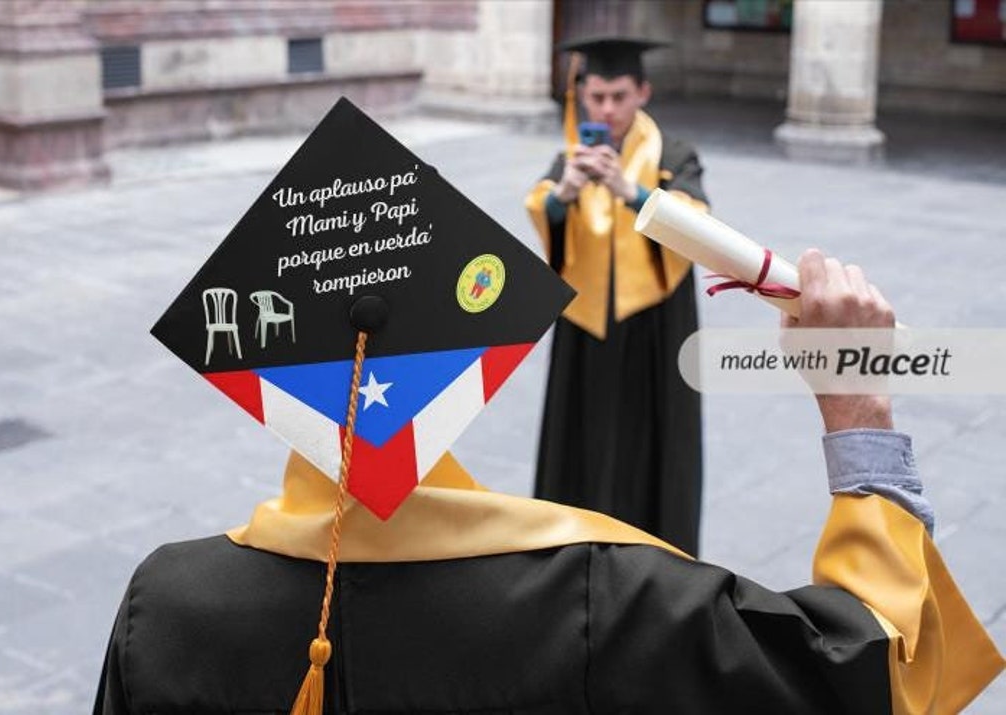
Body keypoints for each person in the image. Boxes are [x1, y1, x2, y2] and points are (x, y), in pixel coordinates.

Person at [94, 249, 1003, 714]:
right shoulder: (603, 596)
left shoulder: (165, 606)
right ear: (460, 382)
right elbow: (867, 669)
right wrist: (860, 411)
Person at [525, 37, 707, 556]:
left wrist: (632, 192)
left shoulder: (673, 156)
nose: (607, 109)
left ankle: (655, 557)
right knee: (579, 443)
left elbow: (697, 224)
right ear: (581, 95)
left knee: (651, 446)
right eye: (596, 96)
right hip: (585, 330)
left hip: (653, 328)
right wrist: (564, 195)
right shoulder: (569, 159)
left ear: (642, 92)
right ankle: (570, 553)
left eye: (618, 96)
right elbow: (544, 213)